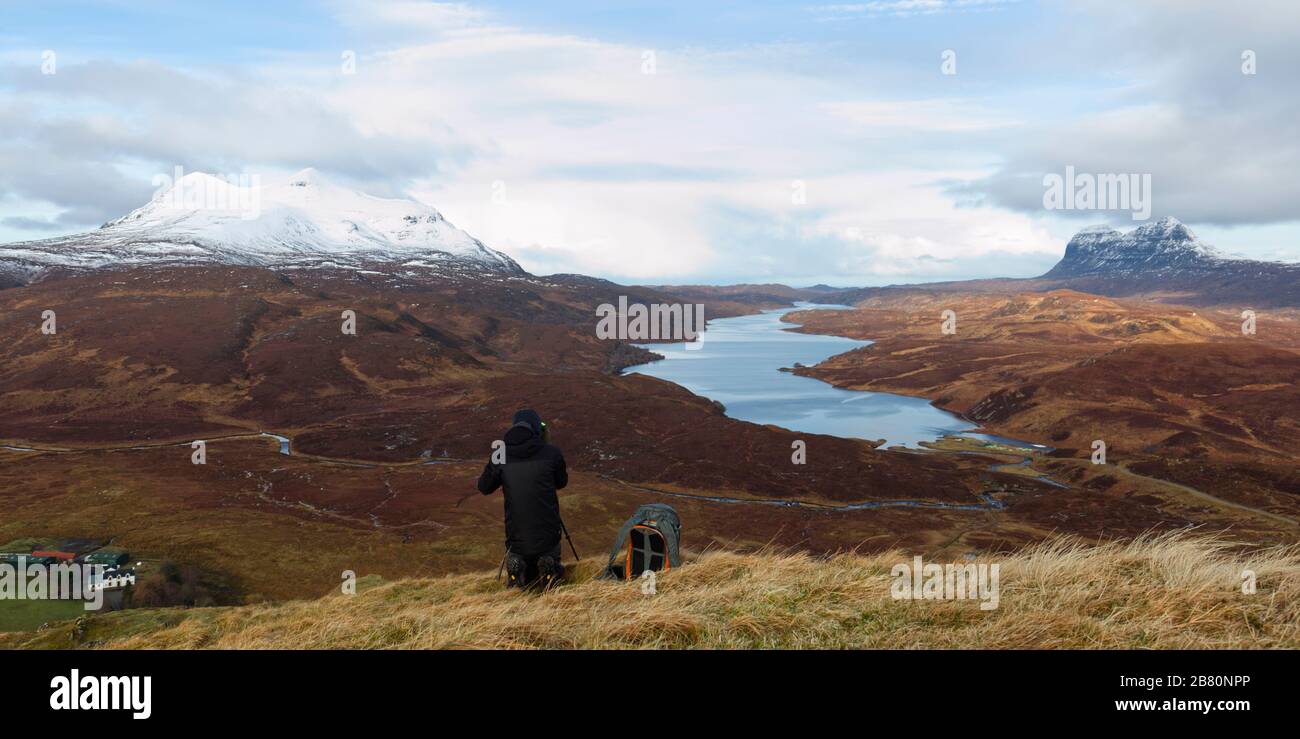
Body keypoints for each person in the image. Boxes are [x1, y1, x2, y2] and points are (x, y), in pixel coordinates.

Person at [477, 409, 568, 589]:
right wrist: (545, 444)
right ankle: (550, 565)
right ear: (537, 429)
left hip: (516, 537)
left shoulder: (501, 454)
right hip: (548, 536)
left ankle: (517, 565)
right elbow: (561, 482)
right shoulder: (551, 452)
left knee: (520, 554)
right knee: (549, 553)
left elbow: (484, 487)